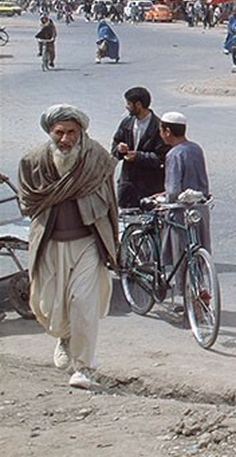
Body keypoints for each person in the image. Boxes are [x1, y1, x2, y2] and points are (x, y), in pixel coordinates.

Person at [17, 104, 118, 389]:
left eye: (72, 132)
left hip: (87, 243)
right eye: (59, 133)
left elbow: (111, 203)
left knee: (83, 303)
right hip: (50, 244)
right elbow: (28, 202)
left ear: (81, 132)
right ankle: (64, 337)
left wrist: (114, 244)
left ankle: (83, 367)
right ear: (50, 132)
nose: (66, 139)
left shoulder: (96, 158)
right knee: (52, 307)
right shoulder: (34, 161)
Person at [159, 111, 211, 260]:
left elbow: (173, 190)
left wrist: (164, 200)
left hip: (181, 212)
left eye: (161, 130)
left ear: (167, 132)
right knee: (199, 248)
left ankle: (180, 284)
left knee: (180, 256)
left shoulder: (174, 154)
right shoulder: (196, 148)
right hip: (200, 209)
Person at [110, 87, 167, 210]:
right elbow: (115, 145)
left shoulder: (158, 127)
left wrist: (138, 156)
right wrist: (119, 149)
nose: (127, 107)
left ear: (139, 105)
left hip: (150, 187)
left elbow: (161, 158)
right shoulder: (127, 123)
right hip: (128, 186)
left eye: (129, 104)